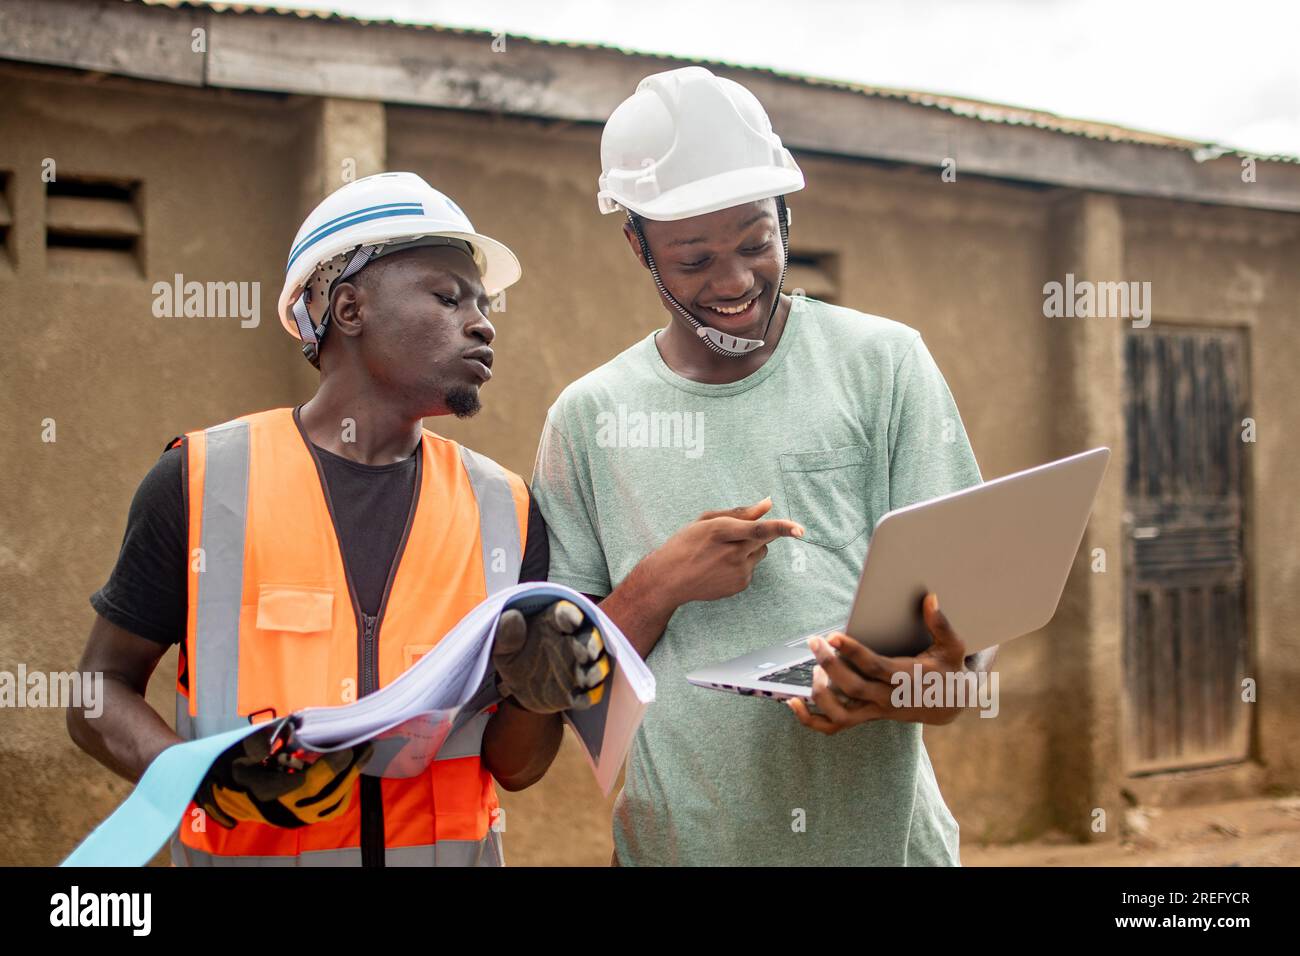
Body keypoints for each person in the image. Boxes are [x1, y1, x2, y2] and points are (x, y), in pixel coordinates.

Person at [67, 172, 609, 867]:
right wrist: (202, 779)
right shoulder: (201, 482)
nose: (483, 321)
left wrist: (541, 692)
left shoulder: (504, 507)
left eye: (482, 302)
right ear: (349, 310)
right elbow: (95, 693)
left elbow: (517, 767)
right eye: (448, 297)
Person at [532, 67, 997, 866]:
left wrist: (919, 686)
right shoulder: (587, 418)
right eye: (693, 258)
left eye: (757, 242)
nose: (735, 281)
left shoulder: (883, 364)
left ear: (787, 215)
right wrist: (659, 585)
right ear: (637, 244)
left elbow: (968, 660)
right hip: (683, 847)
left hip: (886, 846)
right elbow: (565, 692)